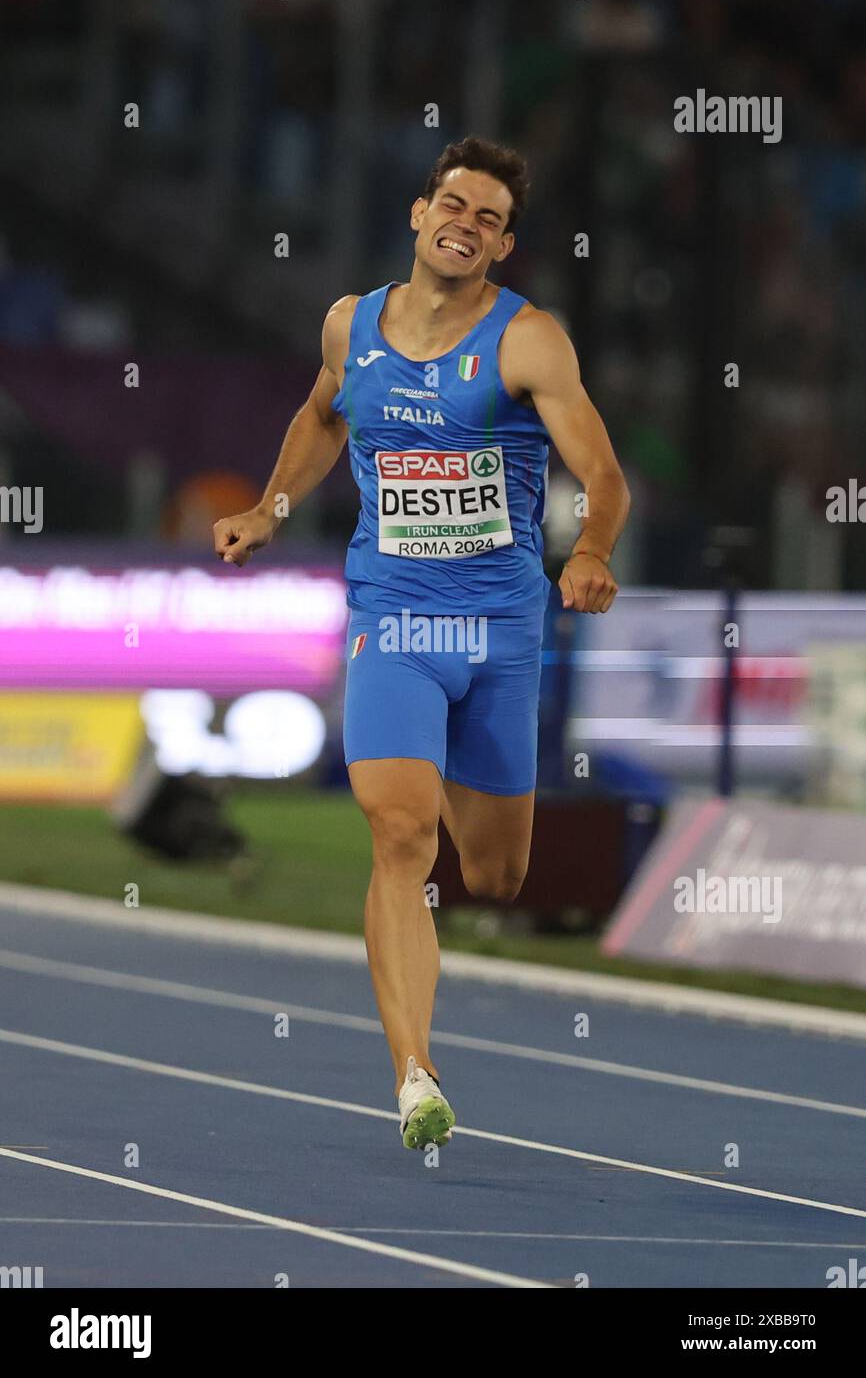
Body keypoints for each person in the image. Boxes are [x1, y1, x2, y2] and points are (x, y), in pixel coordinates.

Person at [213, 136, 630, 1150]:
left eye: (487, 217)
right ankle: (414, 1073)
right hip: (393, 620)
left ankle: (441, 768)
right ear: (417, 211)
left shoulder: (528, 342)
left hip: (496, 632)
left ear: (503, 242)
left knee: (493, 876)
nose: (465, 223)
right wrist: (270, 509)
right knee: (399, 839)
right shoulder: (349, 325)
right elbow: (321, 417)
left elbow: (602, 472)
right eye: (453, 203)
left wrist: (591, 551)